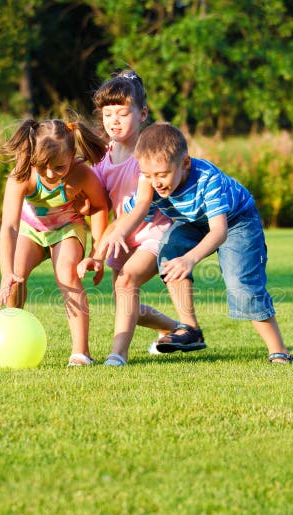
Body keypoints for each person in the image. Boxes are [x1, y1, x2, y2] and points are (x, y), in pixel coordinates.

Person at [99, 122, 293, 364]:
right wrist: (115, 236)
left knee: (241, 284)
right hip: (193, 222)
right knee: (170, 251)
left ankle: (279, 351)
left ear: (184, 163)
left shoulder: (207, 178)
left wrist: (190, 258)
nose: (156, 182)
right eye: (148, 176)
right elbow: (134, 211)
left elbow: (219, 231)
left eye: (162, 175)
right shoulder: (150, 183)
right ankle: (190, 329)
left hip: (236, 221)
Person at [76, 70, 180, 367]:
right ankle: (175, 330)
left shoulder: (147, 154)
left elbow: (141, 205)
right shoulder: (104, 157)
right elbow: (97, 205)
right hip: (122, 236)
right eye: (108, 114)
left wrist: (114, 235)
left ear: (142, 113)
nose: (114, 121)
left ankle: (117, 355)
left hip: (154, 233)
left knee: (126, 285)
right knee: (124, 298)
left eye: (123, 113)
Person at [0, 118, 110, 366]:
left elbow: (101, 207)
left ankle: (81, 353)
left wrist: (97, 253)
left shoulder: (81, 174)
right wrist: (7, 273)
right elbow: (10, 226)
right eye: (43, 166)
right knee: (16, 277)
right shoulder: (23, 173)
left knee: (66, 274)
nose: (50, 174)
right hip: (32, 229)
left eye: (59, 167)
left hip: (67, 228)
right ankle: (13, 339)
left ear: (72, 155)